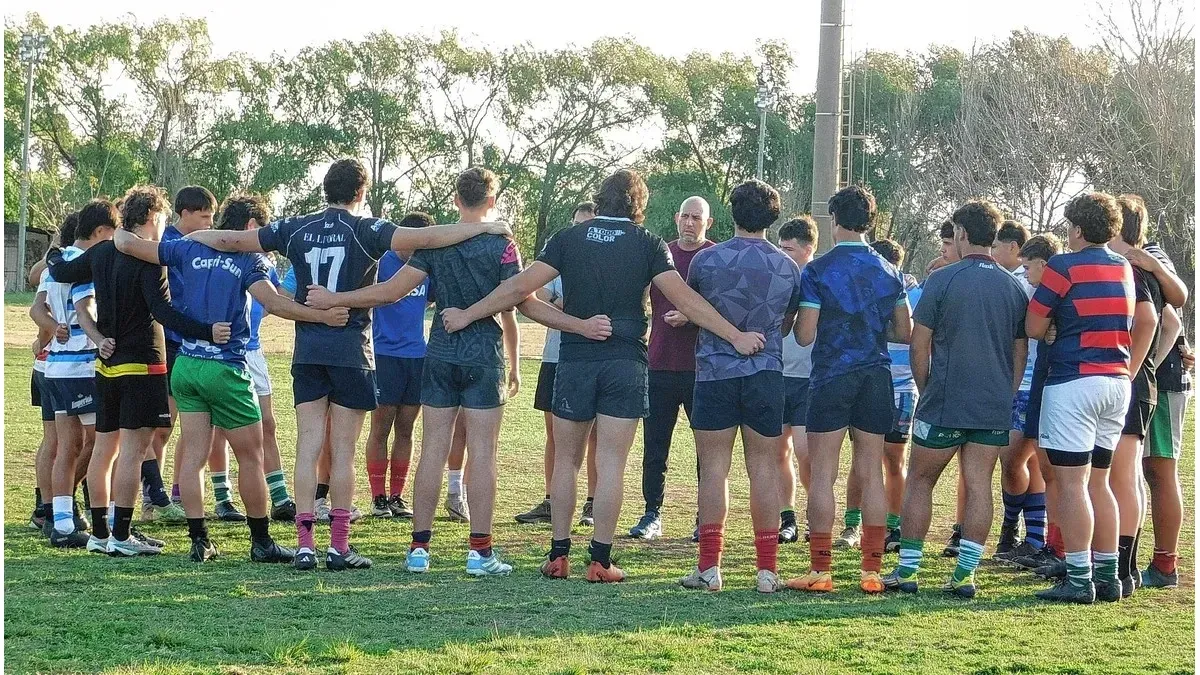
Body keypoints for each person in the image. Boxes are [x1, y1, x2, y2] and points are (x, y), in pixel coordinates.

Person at [439, 168, 764, 583]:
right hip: (625, 362)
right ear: (639, 207)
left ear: (601, 199)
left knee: (566, 461)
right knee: (611, 463)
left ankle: (558, 556)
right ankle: (601, 561)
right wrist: (735, 335)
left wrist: (470, 313)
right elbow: (686, 299)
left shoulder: (568, 237)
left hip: (575, 361)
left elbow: (520, 293)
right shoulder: (647, 243)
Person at [187, 158, 513, 572]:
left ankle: (305, 545)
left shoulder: (295, 226)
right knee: (342, 452)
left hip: (308, 351)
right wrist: (482, 226)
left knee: (307, 446)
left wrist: (190, 236)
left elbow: (234, 241)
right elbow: (423, 237)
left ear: (325, 189)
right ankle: (338, 547)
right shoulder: (366, 229)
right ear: (362, 192)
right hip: (352, 352)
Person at [306, 166, 606, 576]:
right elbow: (525, 301)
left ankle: (419, 550)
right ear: (492, 201)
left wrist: (334, 298)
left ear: (455, 200)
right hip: (484, 354)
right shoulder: (502, 243)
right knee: (482, 453)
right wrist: (581, 325)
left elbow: (390, 292)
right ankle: (480, 553)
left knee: (433, 447)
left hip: (441, 352)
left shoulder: (437, 241)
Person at [112, 194, 348, 564]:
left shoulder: (186, 247)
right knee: (251, 455)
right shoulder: (249, 259)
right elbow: (273, 303)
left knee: (193, 456)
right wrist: (321, 316)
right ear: (249, 231)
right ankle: (261, 542)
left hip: (187, 364)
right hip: (226, 368)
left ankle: (199, 540)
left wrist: (119, 231)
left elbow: (128, 243)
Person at [47, 190, 230, 557]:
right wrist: (206, 330)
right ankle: (122, 535)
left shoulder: (100, 251)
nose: (163, 228)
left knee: (105, 447)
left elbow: (61, 269)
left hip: (107, 364)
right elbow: (162, 312)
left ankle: (101, 533)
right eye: (161, 220)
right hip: (143, 362)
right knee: (134, 450)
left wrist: (54, 248)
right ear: (150, 217)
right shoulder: (149, 259)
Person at [881, 200, 1028, 599]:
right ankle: (964, 576)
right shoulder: (1014, 285)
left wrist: (927, 389)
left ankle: (907, 572)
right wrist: (1006, 392)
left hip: (944, 399)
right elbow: (1020, 353)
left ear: (961, 233)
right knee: (979, 485)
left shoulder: (943, 280)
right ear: (994, 236)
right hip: (991, 405)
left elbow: (918, 344)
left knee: (920, 481)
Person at [677, 179, 801, 593]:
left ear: (731, 213)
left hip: (714, 373)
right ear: (773, 216)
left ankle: (709, 567)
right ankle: (767, 571)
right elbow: (786, 324)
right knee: (764, 469)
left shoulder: (706, 262)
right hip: (766, 374)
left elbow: (693, 310)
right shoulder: (788, 266)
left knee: (714, 470)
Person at [786, 185, 910, 595]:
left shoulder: (817, 271)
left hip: (831, 376)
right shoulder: (889, 270)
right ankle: (871, 572)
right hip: (876, 375)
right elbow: (904, 330)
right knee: (871, 471)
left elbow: (804, 336)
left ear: (834, 220)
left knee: (823, 474)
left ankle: (821, 571)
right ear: (870, 221)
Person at [1027, 192, 1135, 604]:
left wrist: (1053, 325)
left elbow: (1035, 326)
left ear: (1075, 228)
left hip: (1074, 380)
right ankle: (1108, 576)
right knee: (1100, 484)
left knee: (1072, 485)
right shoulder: (1123, 265)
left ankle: (1079, 577)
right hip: (1116, 381)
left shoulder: (1063, 265)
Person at [629, 195, 716, 540]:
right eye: (685, 216)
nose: (690, 223)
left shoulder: (714, 257)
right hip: (660, 364)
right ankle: (652, 514)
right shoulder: (660, 253)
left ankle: (704, 518)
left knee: (707, 448)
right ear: (676, 217)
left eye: (697, 218)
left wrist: (691, 316)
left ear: (707, 223)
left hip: (702, 368)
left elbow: (723, 308)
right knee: (655, 446)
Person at [212, 196, 297, 522]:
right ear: (251, 227)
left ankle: (280, 497)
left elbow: (281, 299)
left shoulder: (264, 262)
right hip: (221, 351)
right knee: (219, 428)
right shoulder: (217, 257)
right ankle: (223, 498)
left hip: (253, 350)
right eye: (265, 228)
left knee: (267, 424)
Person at [31, 211, 112, 547]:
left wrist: (52, 326)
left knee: (68, 446)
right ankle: (104, 521)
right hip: (80, 366)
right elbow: (85, 309)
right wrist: (100, 339)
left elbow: (36, 308)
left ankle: (61, 522)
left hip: (54, 368)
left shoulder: (57, 261)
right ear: (102, 231)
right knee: (102, 443)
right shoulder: (85, 264)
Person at [517, 202, 600, 527]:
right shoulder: (562, 251)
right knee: (554, 433)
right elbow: (537, 292)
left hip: (590, 357)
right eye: (577, 223)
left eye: (587, 224)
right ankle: (551, 500)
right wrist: (564, 304)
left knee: (594, 435)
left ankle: (592, 503)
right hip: (555, 354)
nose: (581, 229)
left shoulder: (607, 258)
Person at [1105, 194, 1163, 598]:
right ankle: (1127, 568)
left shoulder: (1128, 266)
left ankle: (1123, 568)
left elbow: (1152, 317)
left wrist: (1129, 369)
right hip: (1137, 381)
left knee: (1122, 476)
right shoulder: (1136, 265)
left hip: (1129, 381)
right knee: (1129, 478)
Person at [149, 186, 217, 524]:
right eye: (204, 216)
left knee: (181, 429)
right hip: (170, 343)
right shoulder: (168, 246)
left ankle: (170, 493)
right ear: (185, 213)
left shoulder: (202, 244)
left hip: (192, 346)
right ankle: (153, 497)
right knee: (161, 428)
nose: (209, 222)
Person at [365, 211, 436, 520]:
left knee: (406, 429)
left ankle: (397, 496)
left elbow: (432, 299)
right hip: (384, 355)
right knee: (381, 426)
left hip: (416, 357)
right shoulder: (381, 263)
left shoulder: (426, 266)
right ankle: (378, 497)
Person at [991, 220, 1049, 563]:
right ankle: (1013, 529)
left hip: (1035, 383)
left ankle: (1035, 537)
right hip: (1016, 382)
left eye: (998, 245)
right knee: (1013, 461)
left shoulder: (1037, 285)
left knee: (1022, 457)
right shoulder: (1015, 283)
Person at [1010, 235, 1068, 574]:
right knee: (1046, 470)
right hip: (1045, 385)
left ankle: (1057, 547)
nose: (1025, 272)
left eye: (1028, 266)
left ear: (1044, 265)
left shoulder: (1048, 290)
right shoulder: (1046, 289)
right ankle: (1047, 543)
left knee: (1053, 472)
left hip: (1049, 386)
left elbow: (1034, 329)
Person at [1140, 245, 1192, 589]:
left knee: (1160, 471)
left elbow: (1170, 322)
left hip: (1166, 383)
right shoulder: (1146, 256)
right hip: (1166, 380)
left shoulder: (1151, 256)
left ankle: (1165, 565)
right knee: (1148, 471)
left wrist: (1147, 369)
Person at [868, 238, 920, 553]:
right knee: (874, 461)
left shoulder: (912, 293)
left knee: (890, 461)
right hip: (883, 386)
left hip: (898, 387)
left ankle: (892, 526)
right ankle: (859, 524)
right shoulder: (868, 292)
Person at [775, 217, 818, 544]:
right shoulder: (776, 276)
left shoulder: (819, 279)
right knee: (778, 451)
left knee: (806, 453)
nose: (783, 254)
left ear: (808, 249)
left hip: (809, 378)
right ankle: (786, 519)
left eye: (789, 249)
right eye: (780, 248)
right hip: (777, 374)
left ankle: (814, 514)